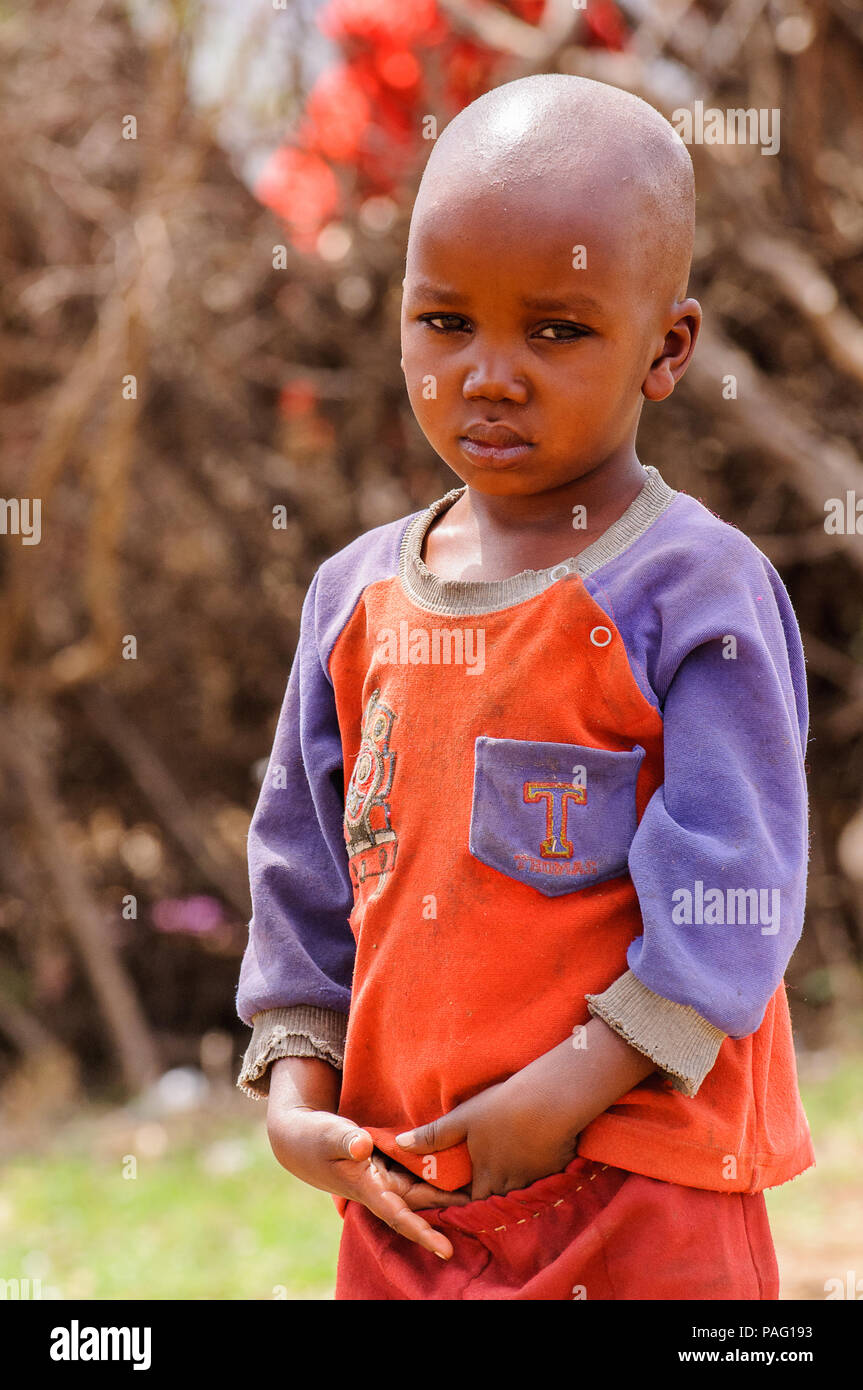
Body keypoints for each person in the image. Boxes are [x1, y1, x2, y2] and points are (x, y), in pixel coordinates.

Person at [234, 72, 814, 1300]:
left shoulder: (693, 591)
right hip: (412, 1201)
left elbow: (734, 880)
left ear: (665, 348)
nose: (488, 373)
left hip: (645, 1190)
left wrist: (568, 1086)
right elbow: (302, 872)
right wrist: (299, 1098)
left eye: (554, 330)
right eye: (445, 323)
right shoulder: (352, 601)